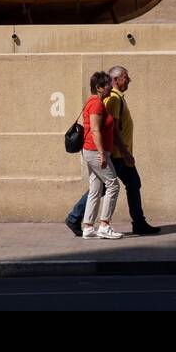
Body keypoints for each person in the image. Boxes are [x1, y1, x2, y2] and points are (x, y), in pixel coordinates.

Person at [64, 65, 160, 236]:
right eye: (126, 77)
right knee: (107, 187)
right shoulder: (112, 99)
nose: (129, 79)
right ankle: (88, 220)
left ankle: (137, 222)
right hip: (115, 154)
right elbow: (110, 129)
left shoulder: (113, 98)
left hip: (117, 153)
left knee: (127, 185)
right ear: (114, 81)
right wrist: (123, 152)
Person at [78, 70, 123, 239]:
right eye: (108, 86)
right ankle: (104, 225)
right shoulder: (96, 103)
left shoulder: (94, 101)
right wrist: (102, 154)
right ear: (99, 87)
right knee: (113, 185)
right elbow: (95, 130)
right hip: (95, 151)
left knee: (96, 188)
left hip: (91, 151)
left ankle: (88, 227)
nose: (111, 89)